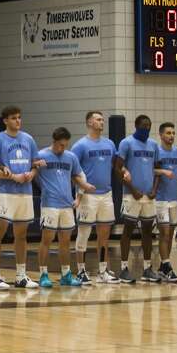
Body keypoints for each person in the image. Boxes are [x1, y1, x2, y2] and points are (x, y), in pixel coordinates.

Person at [0, 106, 44, 290]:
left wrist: (32, 173)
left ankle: (21, 276)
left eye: (19, 117)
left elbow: (35, 164)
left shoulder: (28, 139)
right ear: (5, 120)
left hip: (25, 192)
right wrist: (11, 176)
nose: (17, 121)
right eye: (13, 118)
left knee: (22, 235)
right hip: (5, 192)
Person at [35, 127, 94, 288]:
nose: (63, 148)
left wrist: (81, 193)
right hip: (49, 204)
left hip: (67, 205)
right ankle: (43, 274)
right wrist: (35, 167)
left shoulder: (71, 157)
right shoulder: (41, 155)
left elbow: (77, 176)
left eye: (65, 145)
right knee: (47, 240)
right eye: (61, 145)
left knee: (65, 241)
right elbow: (31, 173)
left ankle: (66, 274)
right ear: (54, 141)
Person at [71, 111, 118, 284]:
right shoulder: (80, 145)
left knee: (104, 235)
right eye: (98, 119)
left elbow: (115, 164)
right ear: (89, 122)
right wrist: (82, 187)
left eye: (102, 120)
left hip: (106, 194)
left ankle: (103, 270)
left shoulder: (109, 143)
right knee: (83, 233)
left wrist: (125, 172)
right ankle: (81, 271)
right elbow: (73, 172)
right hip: (87, 196)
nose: (102, 122)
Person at [115, 115, 161, 283]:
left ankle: (148, 268)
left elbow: (158, 170)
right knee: (128, 231)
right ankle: (123, 268)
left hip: (148, 196)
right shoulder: (126, 143)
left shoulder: (154, 145)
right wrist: (132, 189)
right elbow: (117, 168)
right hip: (131, 195)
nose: (146, 128)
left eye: (148, 126)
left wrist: (155, 190)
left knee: (148, 232)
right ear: (136, 126)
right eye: (143, 126)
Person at [154, 122, 177, 282]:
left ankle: (164, 266)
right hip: (160, 199)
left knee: (170, 235)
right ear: (161, 135)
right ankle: (166, 266)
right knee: (163, 233)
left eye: (173, 133)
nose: (171, 136)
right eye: (168, 133)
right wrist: (163, 171)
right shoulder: (157, 151)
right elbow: (150, 170)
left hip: (174, 198)